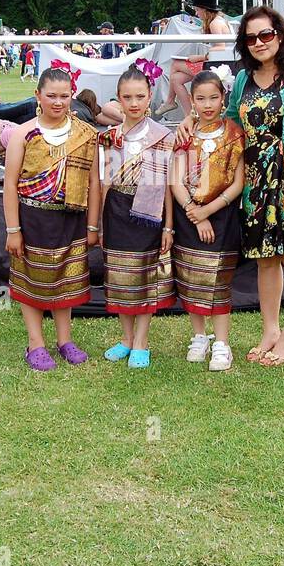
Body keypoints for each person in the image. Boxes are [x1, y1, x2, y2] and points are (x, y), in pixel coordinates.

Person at [180, 5, 284, 367]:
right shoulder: (242, 80)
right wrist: (189, 119)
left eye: (266, 34)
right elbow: (226, 123)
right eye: (251, 37)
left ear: (281, 35)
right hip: (255, 185)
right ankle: (271, 330)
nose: (259, 42)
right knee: (265, 261)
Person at [2, 67, 101, 371]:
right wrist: (13, 230)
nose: (58, 102)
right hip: (32, 218)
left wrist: (93, 225)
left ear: (72, 95)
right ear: (38, 96)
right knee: (32, 282)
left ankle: (65, 341)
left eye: (64, 96)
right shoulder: (23, 133)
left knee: (66, 281)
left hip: (71, 219)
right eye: (51, 96)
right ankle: (35, 344)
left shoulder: (86, 134)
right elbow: (10, 184)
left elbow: (94, 183)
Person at [97, 67, 176, 368]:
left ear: (150, 97)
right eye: (127, 97)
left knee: (144, 277)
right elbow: (104, 181)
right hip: (115, 209)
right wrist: (100, 222)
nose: (134, 103)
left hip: (149, 213)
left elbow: (167, 183)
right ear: (118, 99)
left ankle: (142, 341)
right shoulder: (110, 137)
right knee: (119, 276)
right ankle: (126, 339)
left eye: (140, 96)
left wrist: (168, 224)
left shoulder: (162, 136)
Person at [171, 70, 245, 371]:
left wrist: (208, 211)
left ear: (223, 98)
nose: (207, 104)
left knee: (218, 280)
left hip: (222, 215)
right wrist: (194, 211)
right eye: (200, 98)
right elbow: (175, 179)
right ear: (192, 101)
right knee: (191, 277)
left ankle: (222, 344)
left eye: (214, 97)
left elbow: (238, 182)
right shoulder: (184, 134)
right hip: (187, 214)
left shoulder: (233, 134)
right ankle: (199, 336)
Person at [158, 0, 232, 118]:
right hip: (218, 65)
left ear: (205, 10)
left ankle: (171, 102)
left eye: (197, 10)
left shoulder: (214, 24)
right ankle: (190, 116)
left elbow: (221, 48)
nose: (196, 14)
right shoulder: (220, 21)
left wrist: (199, 57)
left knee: (175, 64)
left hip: (216, 68)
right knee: (175, 79)